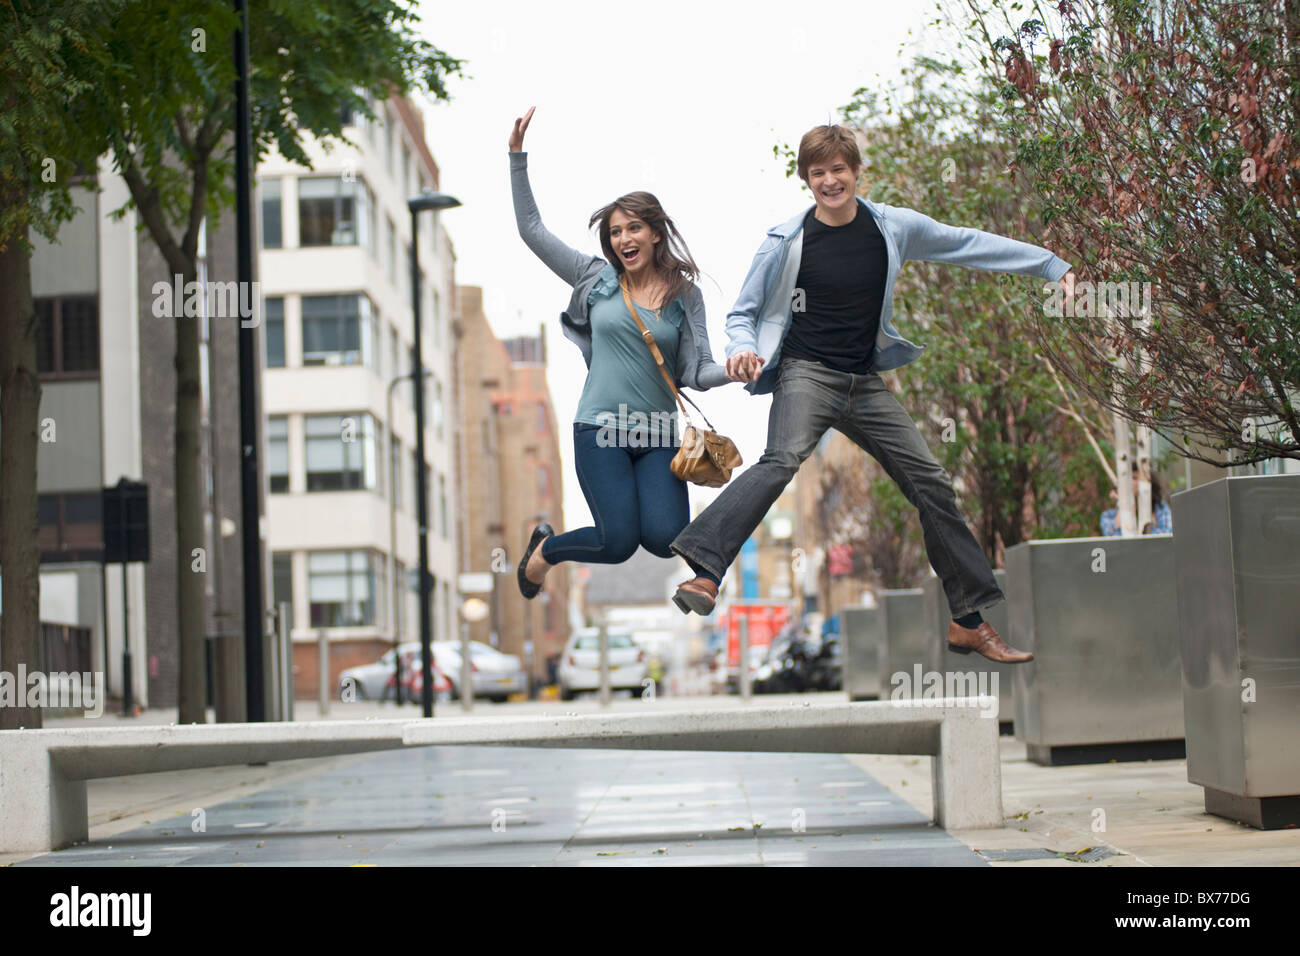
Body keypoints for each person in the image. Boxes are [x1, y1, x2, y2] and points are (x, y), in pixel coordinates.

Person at [669, 124, 1075, 665]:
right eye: (818, 173)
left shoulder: (892, 227)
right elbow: (742, 312)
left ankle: (968, 621)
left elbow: (964, 243)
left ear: (856, 172)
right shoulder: (785, 241)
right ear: (807, 181)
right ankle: (705, 570)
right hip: (806, 374)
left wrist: (1050, 265)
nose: (830, 181)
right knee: (782, 459)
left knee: (930, 481)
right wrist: (742, 347)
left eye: (839, 170)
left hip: (864, 382)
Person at [507, 107, 732, 600]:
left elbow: (696, 370)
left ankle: (703, 574)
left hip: (657, 434)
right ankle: (545, 551)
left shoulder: (684, 294)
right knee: (616, 541)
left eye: (633, 228)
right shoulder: (595, 278)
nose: (623, 239)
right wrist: (517, 158)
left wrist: (732, 372)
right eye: (614, 232)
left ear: (654, 232)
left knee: (663, 538)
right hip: (600, 427)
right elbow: (532, 230)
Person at [1100, 473, 1173, 536]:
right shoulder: (1108, 516)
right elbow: (1115, 541)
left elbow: (1165, 538)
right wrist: (1123, 504)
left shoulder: (1160, 508)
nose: (1128, 482)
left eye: (1134, 478)